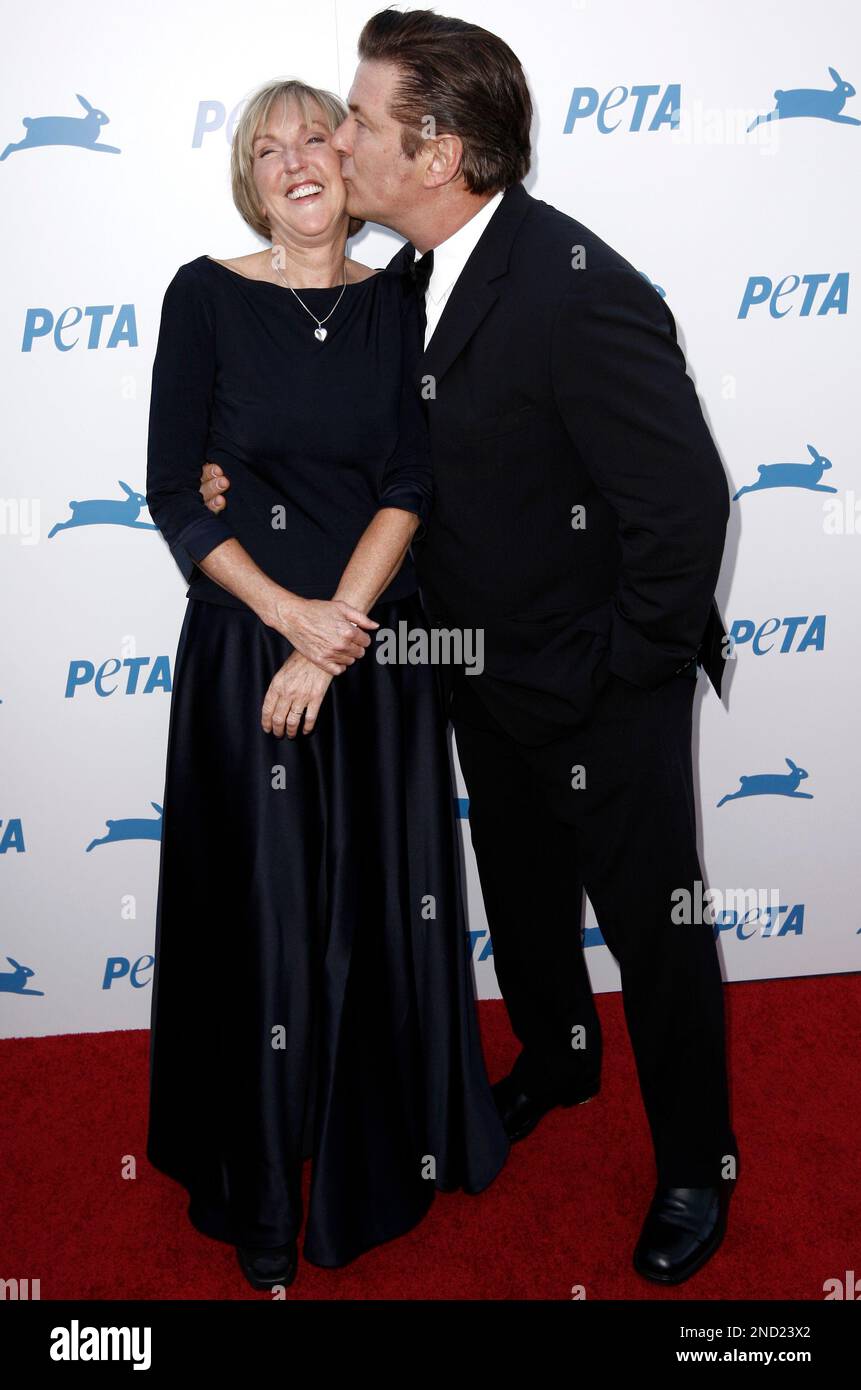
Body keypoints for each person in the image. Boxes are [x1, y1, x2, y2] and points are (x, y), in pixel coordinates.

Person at [201, 10, 740, 1286]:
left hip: (603, 693)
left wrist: (620, 675)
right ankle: (557, 1058)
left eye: (359, 121)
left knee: (657, 933)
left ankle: (693, 1165)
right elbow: (362, 450)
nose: (334, 138)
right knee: (526, 904)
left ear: (437, 153)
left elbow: (686, 509)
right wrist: (237, 475)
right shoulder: (402, 283)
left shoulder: (578, 289)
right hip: (473, 677)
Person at [145, 76, 509, 1293]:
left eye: (318, 138)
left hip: (371, 662)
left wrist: (331, 634)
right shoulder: (201, 297)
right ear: (247, 177)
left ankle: (379, 1161)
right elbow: (167, 495)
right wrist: (287, 619)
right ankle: (253, 1188)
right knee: (264, 921)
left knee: (373, 917)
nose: (298, 160)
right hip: (248, 655)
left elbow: (410, 481)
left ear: (351, 169)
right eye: (270, 147)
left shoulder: (401, 302)